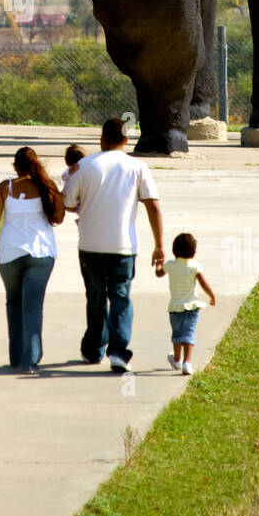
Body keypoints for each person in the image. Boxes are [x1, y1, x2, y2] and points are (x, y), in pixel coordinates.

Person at [63, 116, 164, 373]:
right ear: (127, 139)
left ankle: (94, 348)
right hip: (123, 247)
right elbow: (152, 203)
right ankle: (119, 352)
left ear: (102, 138)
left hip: (90, 245)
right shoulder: (137, 166)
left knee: (95, 297)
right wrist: (159, 245)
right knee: (120, 298)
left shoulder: (83, 166)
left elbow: (66, 202)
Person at [0, 146, 64, 374]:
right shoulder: (48, 186)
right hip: (41, 254)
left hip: (9, 255)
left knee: (14, 304)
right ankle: (30, 361)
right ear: (36, 165)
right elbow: (59, 217)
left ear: (15, 167)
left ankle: (16, 358)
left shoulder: (5, 188)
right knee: (33, 307)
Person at [157, 231, 215, 376]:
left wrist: (158, 264)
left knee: (177, 335)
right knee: (188, 334)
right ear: (193, 252)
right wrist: (211, 295)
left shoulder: (170, 265)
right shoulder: (195, 267)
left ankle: (176, 359)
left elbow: (158, 273)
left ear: (174, 250)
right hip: (191, 307)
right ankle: (186, 362)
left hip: (174, 307)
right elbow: (203, 284)